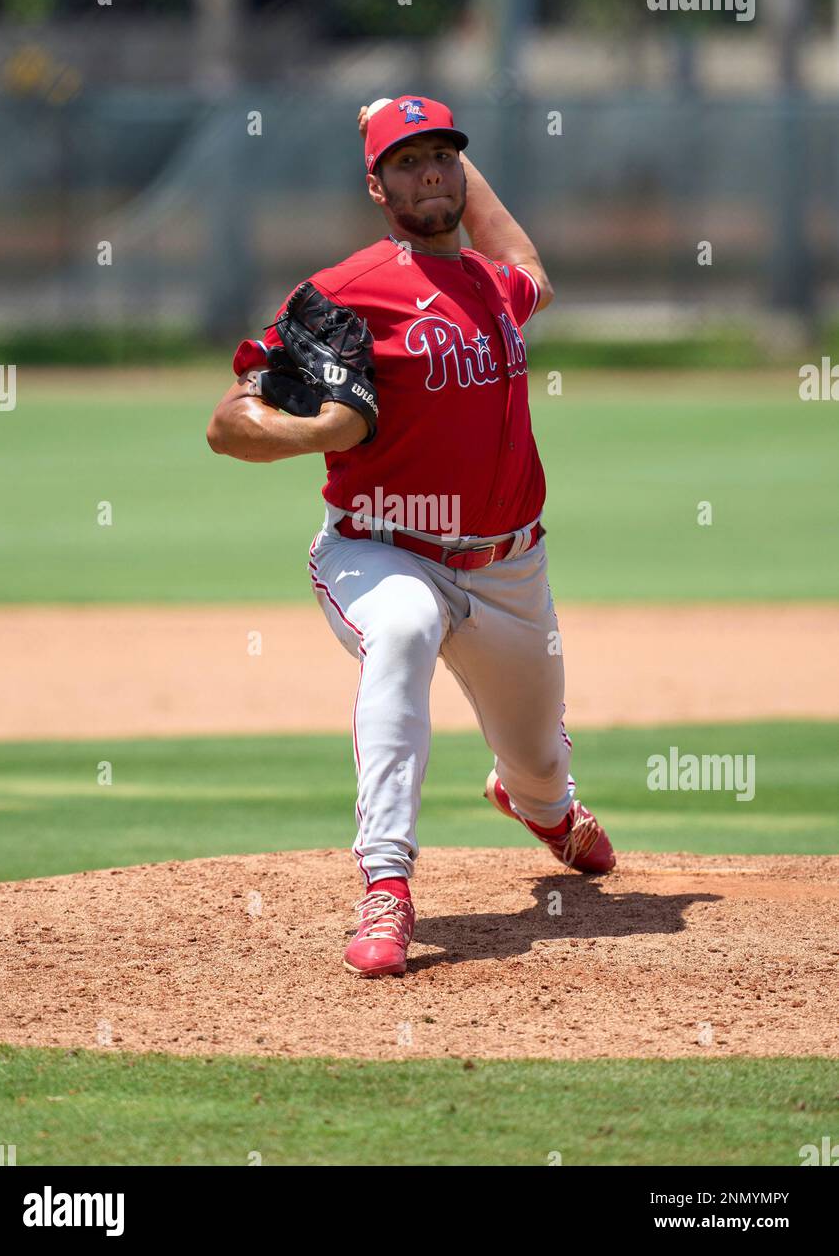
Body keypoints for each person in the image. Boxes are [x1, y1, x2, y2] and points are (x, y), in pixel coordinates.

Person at [206, 94, 615, 980]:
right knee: (401, 631)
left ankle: (538, 803)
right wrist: (315, 432)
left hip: (511, 568)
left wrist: (424, 140)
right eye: (406, 161)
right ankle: (385, 886)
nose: (429, 174)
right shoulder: (345, 293)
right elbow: (228, 422)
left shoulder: (492, 285)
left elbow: (528, 261)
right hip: (383, 548)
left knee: (540, 764)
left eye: (443, 159)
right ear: (376, 185)